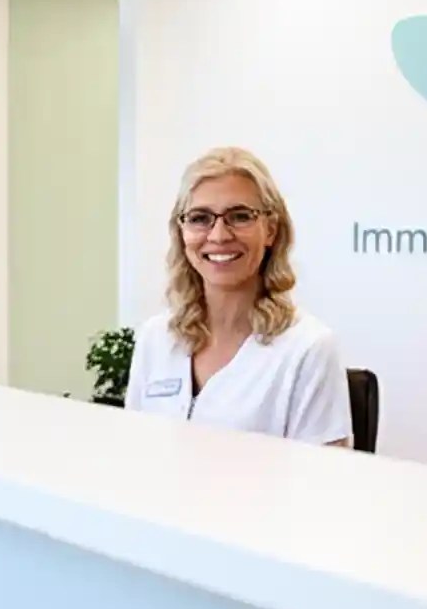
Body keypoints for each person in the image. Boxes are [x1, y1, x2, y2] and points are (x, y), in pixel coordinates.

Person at [125, 146, 352, 446]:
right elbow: (134, 461)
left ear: (270, 230)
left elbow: (323, 485)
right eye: (200, 218)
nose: (219, 235)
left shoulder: (308, 349)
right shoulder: (156, 338)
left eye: (240, 216)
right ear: (181, 231)